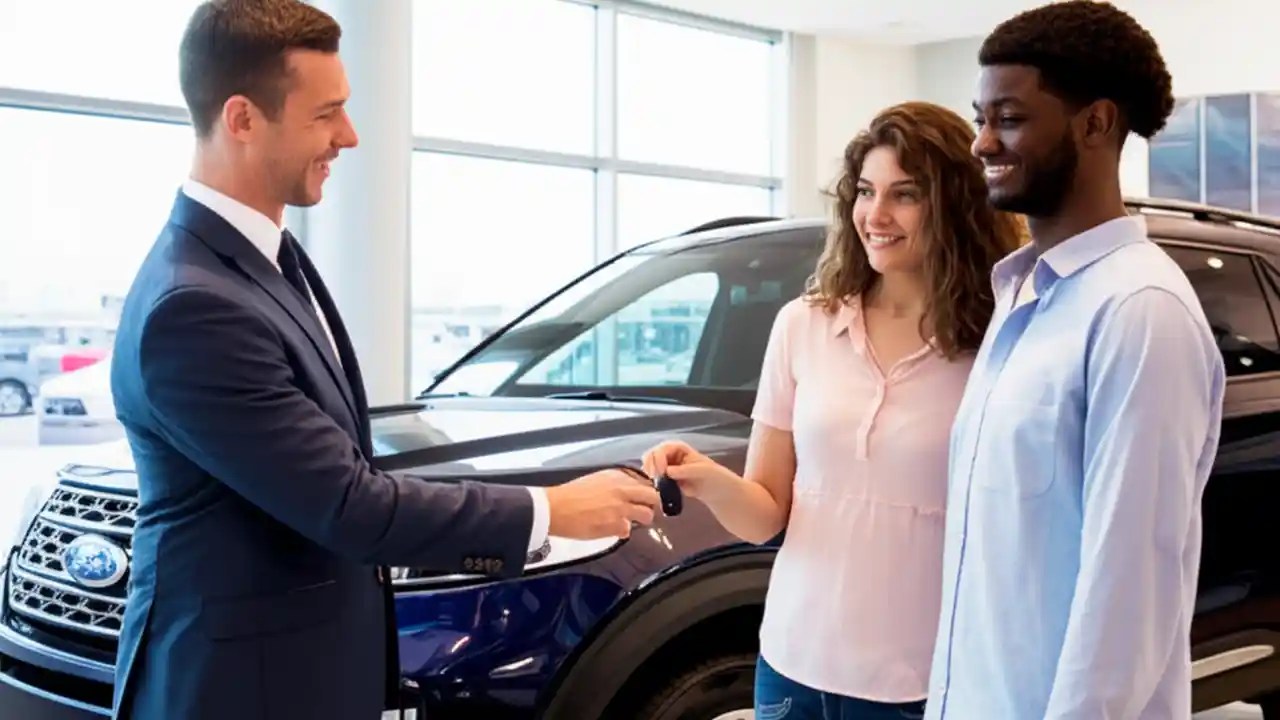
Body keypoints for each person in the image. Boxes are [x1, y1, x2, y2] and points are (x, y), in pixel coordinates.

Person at [108, 2, 660, 719]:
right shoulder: (194, 307)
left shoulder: (263, 257)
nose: (350, 135)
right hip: (241, 688)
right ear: (242, 119)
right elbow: (346, 503)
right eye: (325, 114)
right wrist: (552, 508)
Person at [639, 101, 1025, 719]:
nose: (876, 214)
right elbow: (766, 516)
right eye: (866, 191)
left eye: (905, 194)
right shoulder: (804, 325)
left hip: (923, 679)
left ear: (952, 205)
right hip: (794, 667)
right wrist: (706, 479)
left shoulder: (998, 341)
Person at [924, 3, 1227, 719]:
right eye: (979, 117)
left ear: (1096, 123)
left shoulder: (1138, 310)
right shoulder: (1023, 290)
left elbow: (1128, 592)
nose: (981, 143)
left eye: (1009, 118)